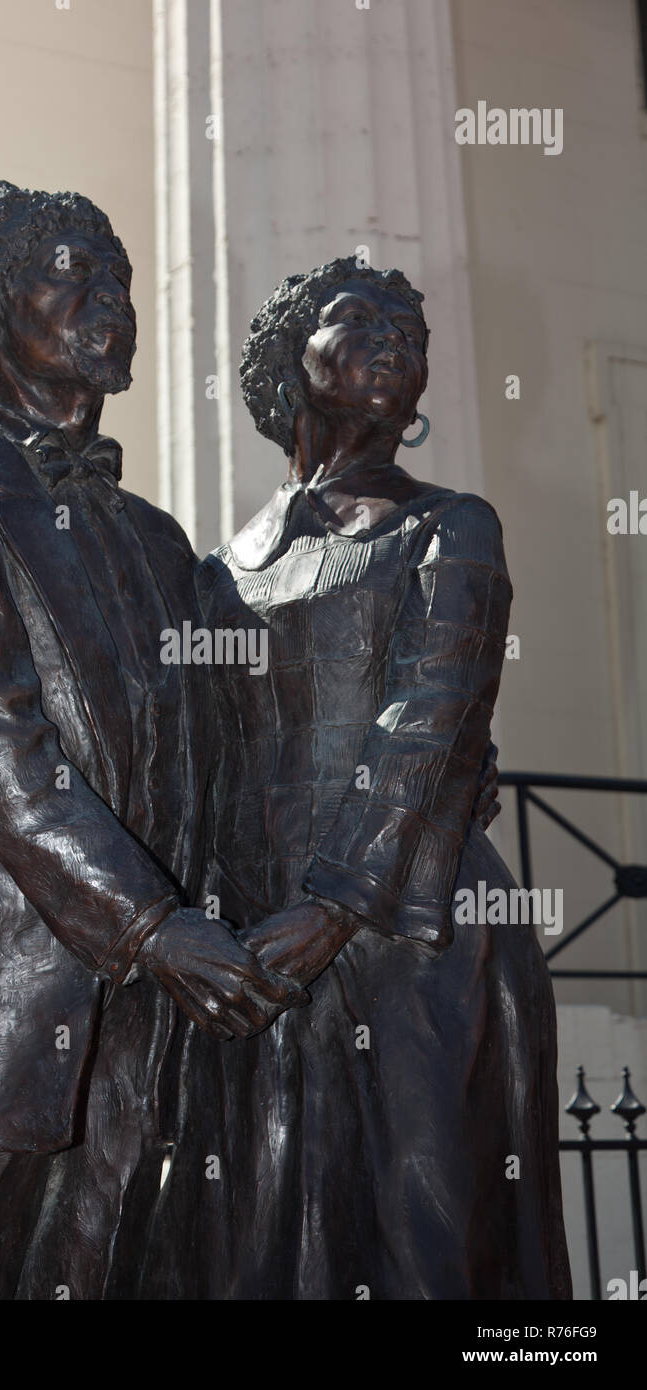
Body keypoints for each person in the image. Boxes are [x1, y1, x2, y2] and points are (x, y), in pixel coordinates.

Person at [0, 180, 302, 1300]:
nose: (108, 296)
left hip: (132, 1031)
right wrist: (152, 927)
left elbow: (219, 745)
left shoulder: (153, 539)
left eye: (118, 272)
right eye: (65, 270)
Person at [140, 259, 572, 1300]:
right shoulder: (213, 570)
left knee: (421, 1233)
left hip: (409, 929)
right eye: (358, 319)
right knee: (260, 1236)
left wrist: (331, 907)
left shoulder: (449, 527)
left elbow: (428, 725)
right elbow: (192, 763)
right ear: (289, 357)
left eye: (410, 333)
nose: (394, 341)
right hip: (258, 940)